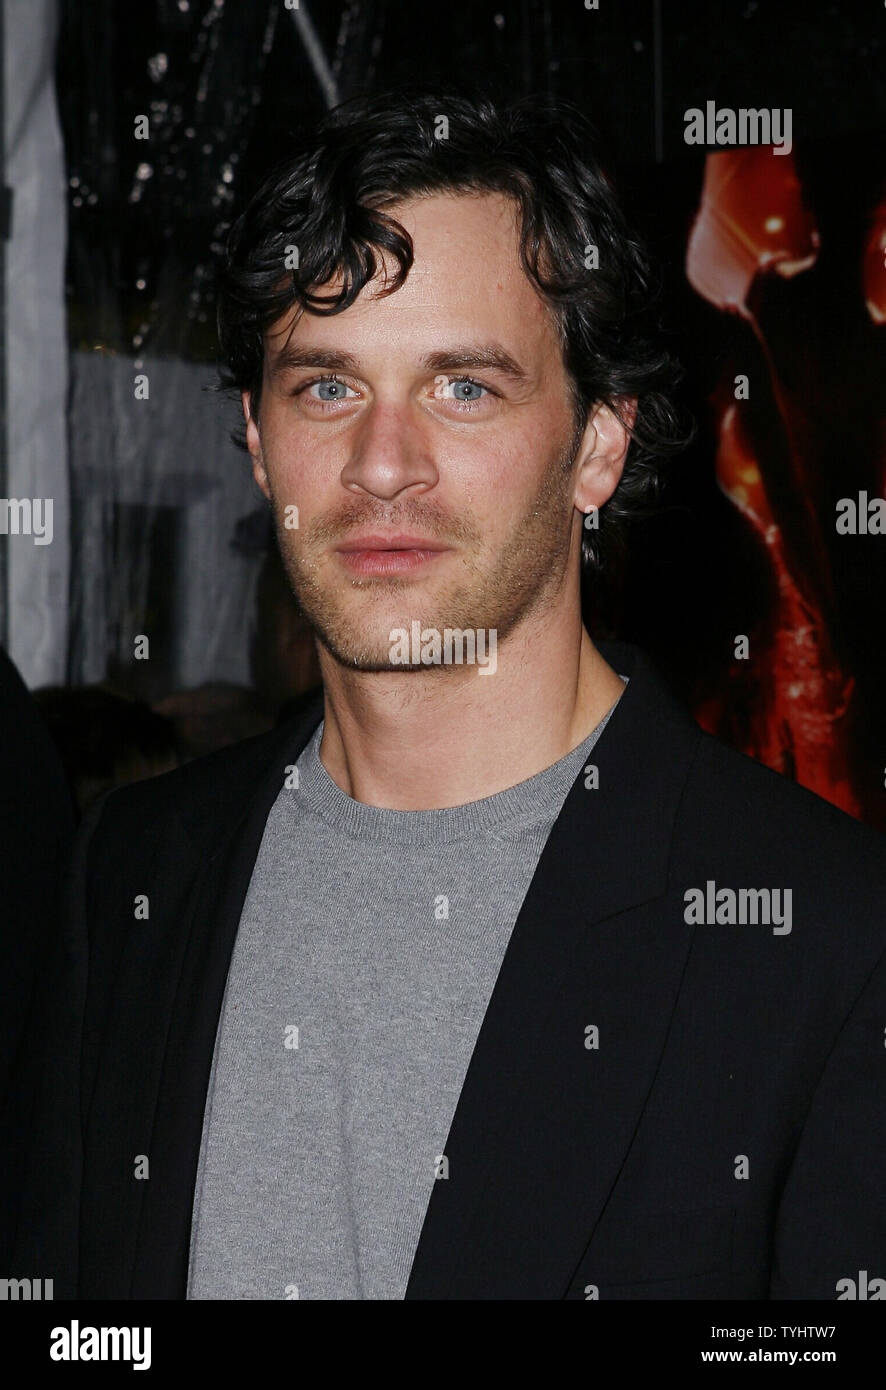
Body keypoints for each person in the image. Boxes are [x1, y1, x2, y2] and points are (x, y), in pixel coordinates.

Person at [14, 86, 886, 1301]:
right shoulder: (130, 875)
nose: (381, 462)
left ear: (597, 444)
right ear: (259, 443)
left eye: (462, 387)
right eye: (326, 386)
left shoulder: (828, 936)